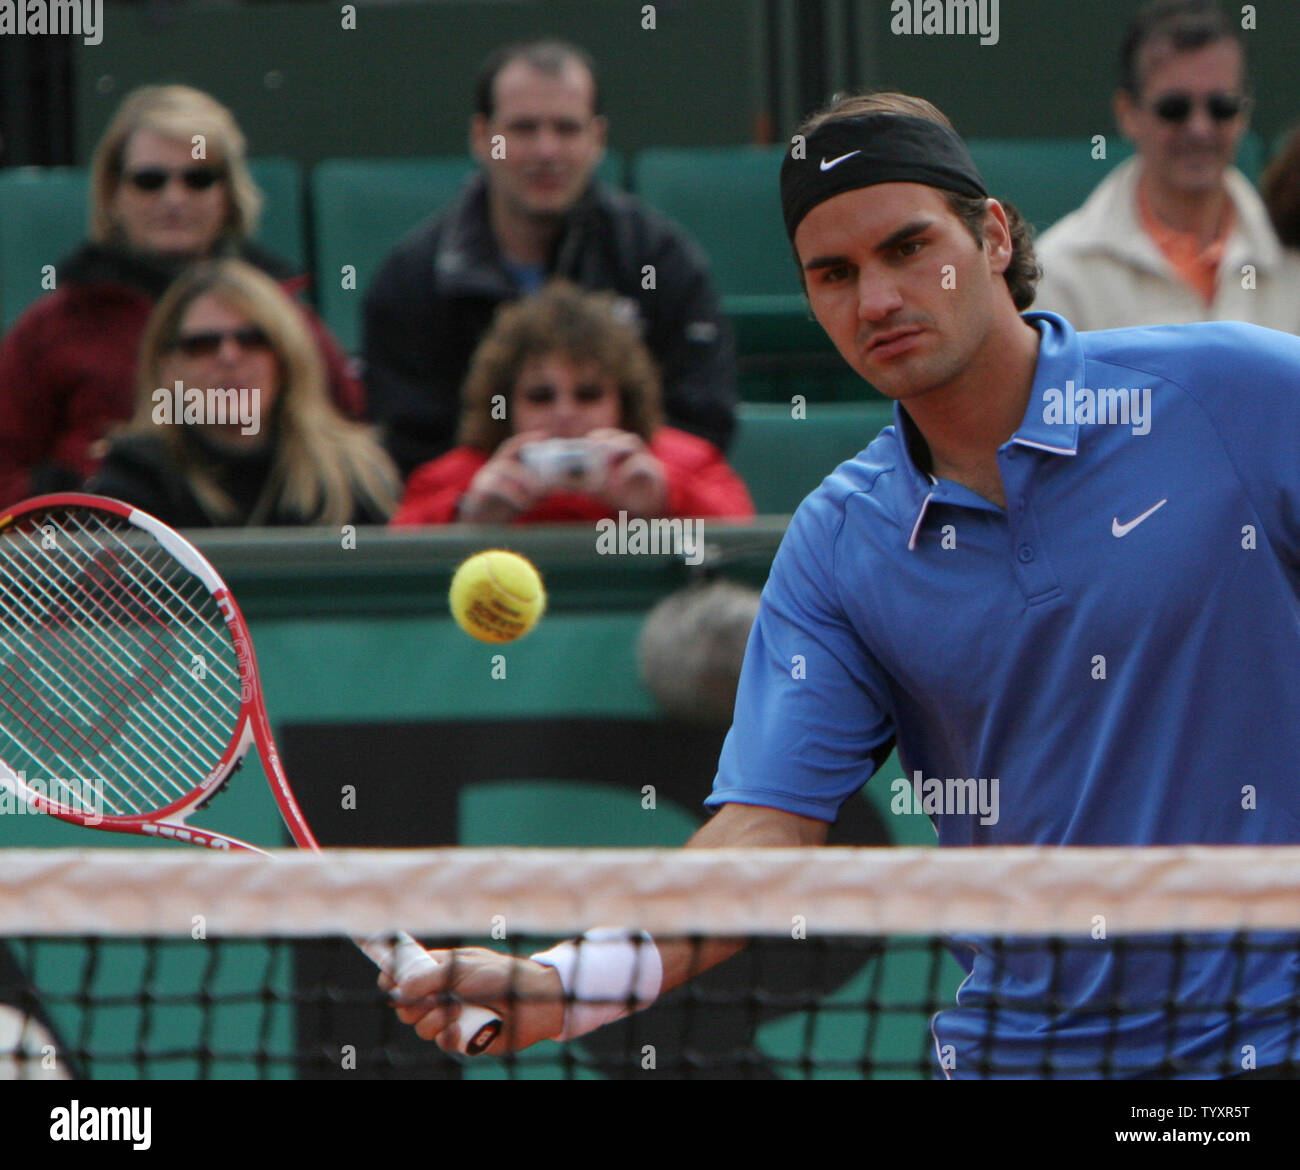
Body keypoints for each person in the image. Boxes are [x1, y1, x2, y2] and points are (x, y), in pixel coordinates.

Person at [383, 90, 1300, 1080]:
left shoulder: (1235, 396)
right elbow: (765, 827)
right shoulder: (836, 543)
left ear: (990, 235)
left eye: (908, 248)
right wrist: (567, 985)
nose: (875, 301)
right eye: (833, 273)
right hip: (1020, 1057)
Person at [363, 39, 737, 481]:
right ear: (482, 137)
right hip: (475, 534)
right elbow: (407, 444)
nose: (546, 151)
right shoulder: (412, 277)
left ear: (597, 138)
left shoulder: (660, 259)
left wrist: (630, 475)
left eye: (566, 129)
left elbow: (705, 418)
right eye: (523, 129)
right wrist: (480, 491)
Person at [0, 84, 365, 509]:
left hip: (264, 549)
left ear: (228, 196)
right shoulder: (53, 327)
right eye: (150, 181)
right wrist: (68, 513)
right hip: (105, 561)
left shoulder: (285, 318)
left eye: (197, 179)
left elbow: (349, 436)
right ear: (113, 194)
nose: (174, 199)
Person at [1034, 0, 1300, 333]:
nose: (1199, 128)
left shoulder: (1291, 249)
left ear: (1244, 112)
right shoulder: (1060, 273)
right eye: (1174, 108)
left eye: (1222, 106)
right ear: (1127, 112)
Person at [390, 281, 753, 526]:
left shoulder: (678, 465)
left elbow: (751, 549)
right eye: (540, 397)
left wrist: (668, 500)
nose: (565, 414)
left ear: (623, 402)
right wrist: (466, 516)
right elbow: (389, 572)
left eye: (589, 394)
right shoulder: (462, 479)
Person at [88, 260, 397, 528]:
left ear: (286, 359)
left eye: (253, 339)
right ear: (167, 368)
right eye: (202, 345)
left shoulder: (354, 476)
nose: (229, 357)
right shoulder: (130, 484)